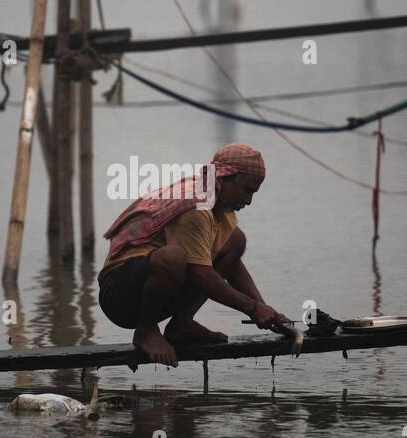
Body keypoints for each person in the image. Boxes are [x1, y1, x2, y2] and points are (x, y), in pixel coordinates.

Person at [98, 143, 292, 366]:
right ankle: (146, 330)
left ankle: (181, 324)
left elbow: (232, 265)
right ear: (224, 178)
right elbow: (201, 275)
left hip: (152, 288)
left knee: (235, 240)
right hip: (119, 296)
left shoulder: (219, 204)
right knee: (174, 258)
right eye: (247, 190)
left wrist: (265, 310)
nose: (248, 201)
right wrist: (253, 308)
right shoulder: (196, 206)